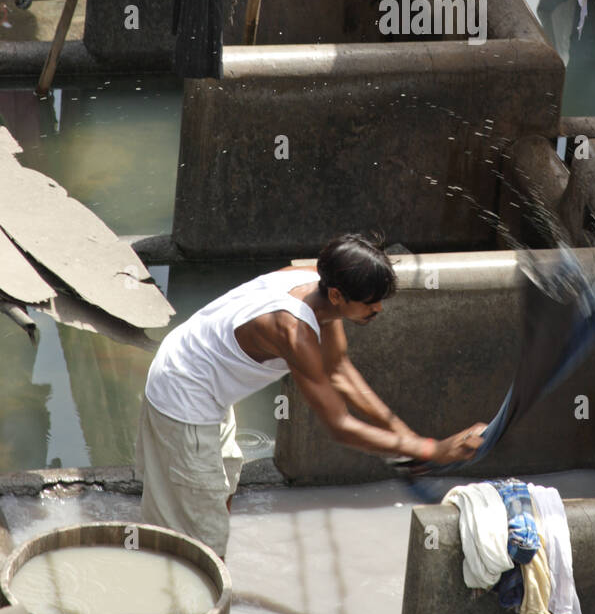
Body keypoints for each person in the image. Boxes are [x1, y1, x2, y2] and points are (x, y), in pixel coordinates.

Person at [135, 233, 485, 556]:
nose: (378, 310)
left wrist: (405, 439)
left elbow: (339, 370)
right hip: (183, 395)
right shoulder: (292, 331)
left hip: (203, 378)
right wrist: (433, 450)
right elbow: (340, 425)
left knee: (220, 489)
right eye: (370, 303)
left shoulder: (316, 282)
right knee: (200, 537)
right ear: (337, 295)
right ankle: (187, 603)